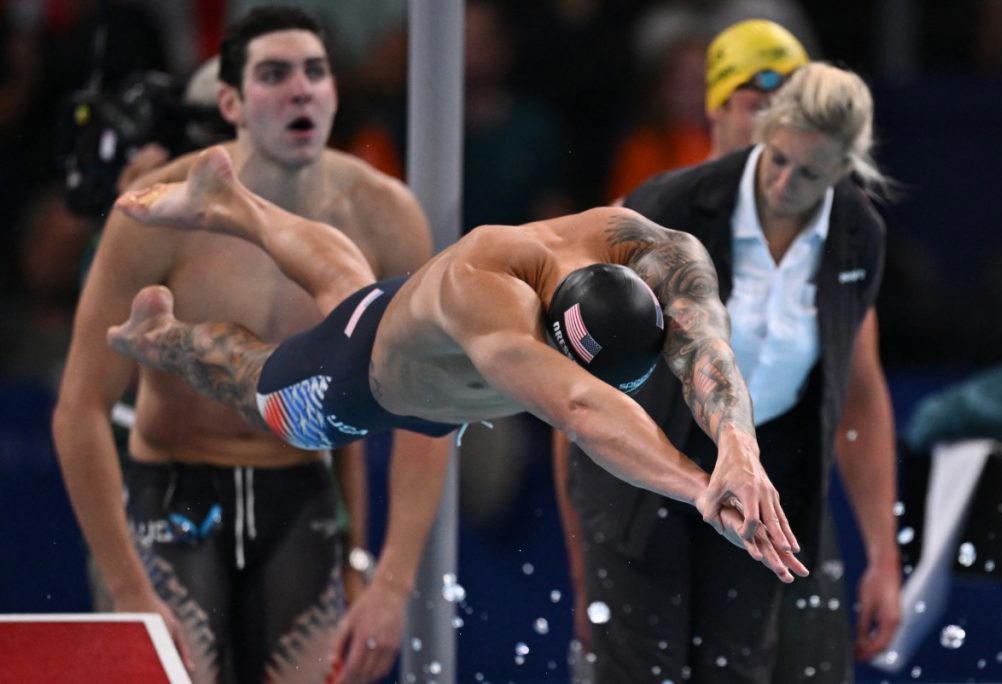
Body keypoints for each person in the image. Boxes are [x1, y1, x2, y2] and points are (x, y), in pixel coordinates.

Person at [107, 144, 812, 597]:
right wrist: (698, 487)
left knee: (348, 291)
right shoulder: (490, 291)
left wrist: (740, 452)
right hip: (368, 376)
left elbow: (707, 352)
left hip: (421, 340)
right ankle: (161, 332)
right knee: (278, 401)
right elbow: (580, 410)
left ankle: (232, 204)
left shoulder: (657, 250)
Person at [51, 7, 446, 684]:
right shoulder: (157, 213)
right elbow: (79, 410)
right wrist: (129, 591)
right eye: (274, 74)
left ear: (335, 92)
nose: (300, 90)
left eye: (315, 73)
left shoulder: (382, 214)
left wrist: (385, 578)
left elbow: (423, 416)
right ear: (230, 101)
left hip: (298, 491)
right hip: (172, 488)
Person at [561, 59, 902, 683]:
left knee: (737, 672)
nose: (783, 184)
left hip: (762, 484)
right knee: (640, 673)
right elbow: (574, 374)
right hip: (643, 470)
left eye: (810, 174)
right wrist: (581, 552)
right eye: (777, 159)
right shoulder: (670, 203)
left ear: (844, 171)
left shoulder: (858, 233)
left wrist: (885, 555)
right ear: (764, 131)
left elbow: (859, 396)